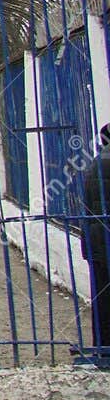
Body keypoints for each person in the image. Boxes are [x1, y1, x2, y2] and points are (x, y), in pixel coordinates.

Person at [75, 122, 110, 364]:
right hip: (104, 238)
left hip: (96, 241)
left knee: (103, 301)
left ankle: (103, 350)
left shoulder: (97, 161)